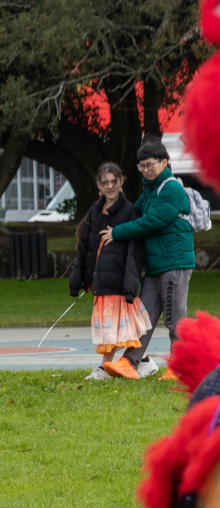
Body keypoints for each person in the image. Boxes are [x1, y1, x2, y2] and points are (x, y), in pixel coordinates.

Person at [101, 137, 196, 380]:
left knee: (175, 319)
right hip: (155, 265)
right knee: (142, 317)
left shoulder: (171, 189)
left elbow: (150, 222)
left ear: (165, 162)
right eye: (141, 166)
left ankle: (180, 367)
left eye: (149, 165)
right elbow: (134, 212)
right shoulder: (149, 188)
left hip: (174, 263)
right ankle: (130, 363)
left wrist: (117, 233)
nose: (145, 170)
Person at [70, 162, 151, 380]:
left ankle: (104, 368)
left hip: (118, 280)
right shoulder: (95, 212)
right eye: (105, 182)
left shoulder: (130, 211)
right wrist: (80, 279)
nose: (110, 186)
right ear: (98, 185)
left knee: (115, 328)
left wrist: (130, 282)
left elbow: (135, 252)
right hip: (100, 281)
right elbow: (85, 249)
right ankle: (144, 361)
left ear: (122, 181)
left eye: (114, 181)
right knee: (119, 328)